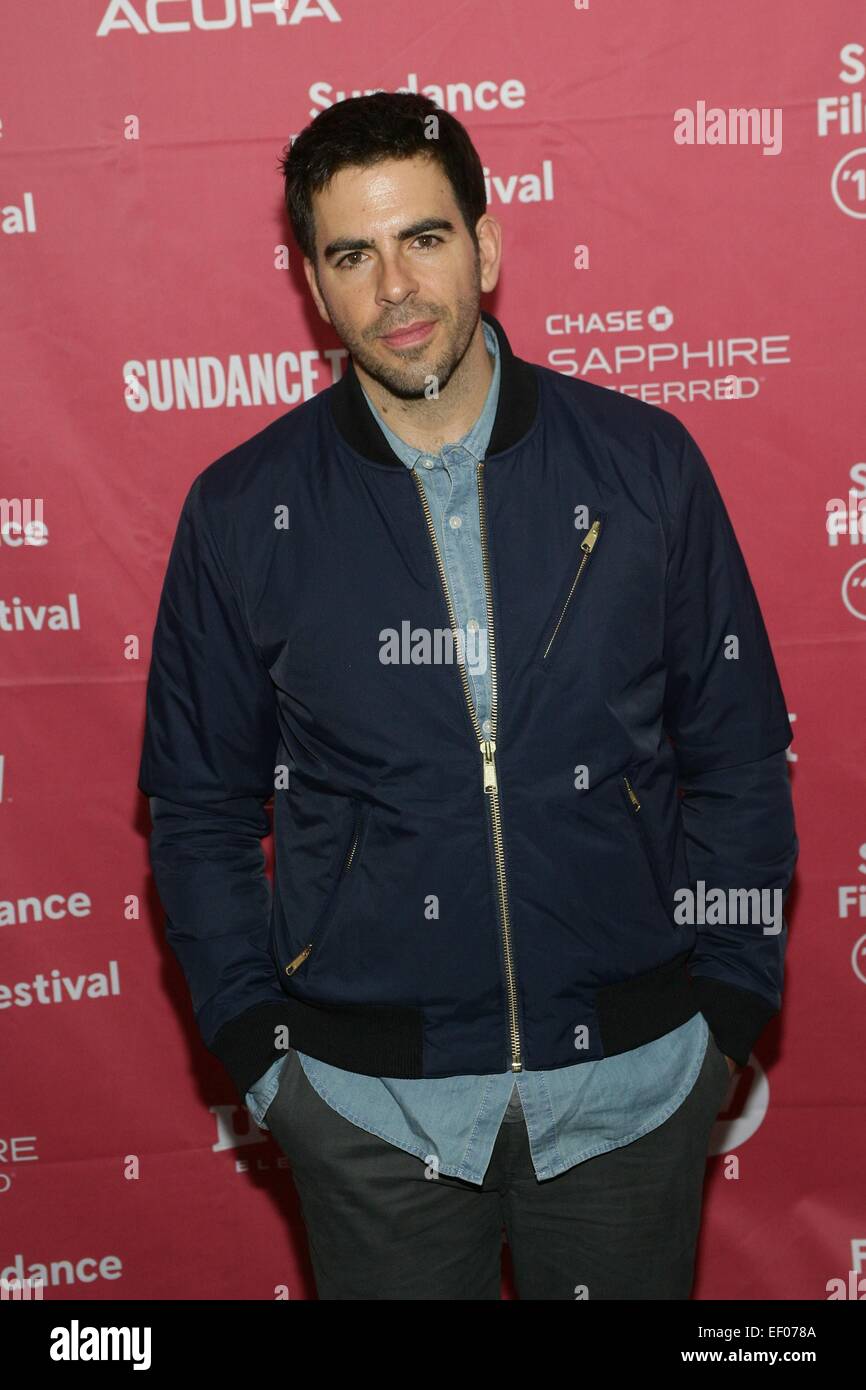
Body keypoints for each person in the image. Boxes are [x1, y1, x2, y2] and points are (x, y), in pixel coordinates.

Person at [138, 91, 798, 1300]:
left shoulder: (644, 467)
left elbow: (739, 752)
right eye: (353, 254)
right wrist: (265, 1059)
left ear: (485, 247)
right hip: (371, 1119)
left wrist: (723, 1009)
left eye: (424, 238)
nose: (394, 287)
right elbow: (197, 809)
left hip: (631, 1094)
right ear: (312, 283)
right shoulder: (242, 514)